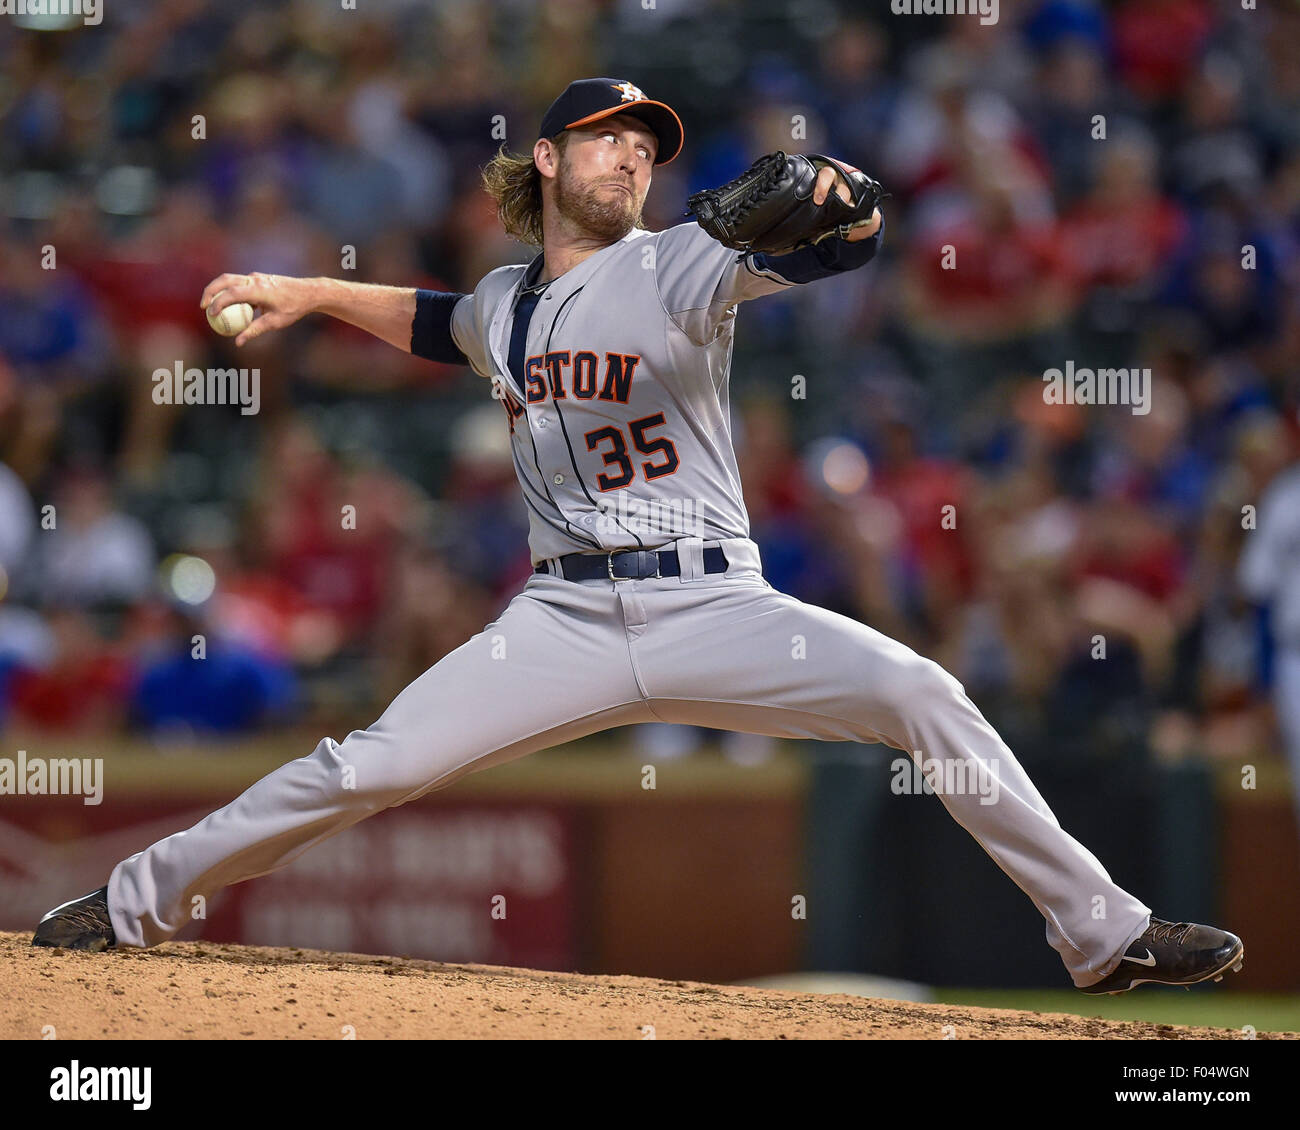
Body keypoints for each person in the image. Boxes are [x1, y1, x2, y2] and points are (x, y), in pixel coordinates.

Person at [35, 78, 1243, 995]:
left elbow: (841, 242)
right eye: (611, 135)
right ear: (549, 159)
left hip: (717, 604)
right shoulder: (505, 303)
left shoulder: (684, 263)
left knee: (921, 691)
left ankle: (1106, 933)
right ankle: (129, 901)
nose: (633, 153)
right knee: (372, 765)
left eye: (648, 143)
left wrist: (845, 197)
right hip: (559, 617)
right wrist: (305, 292)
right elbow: (436, 318)